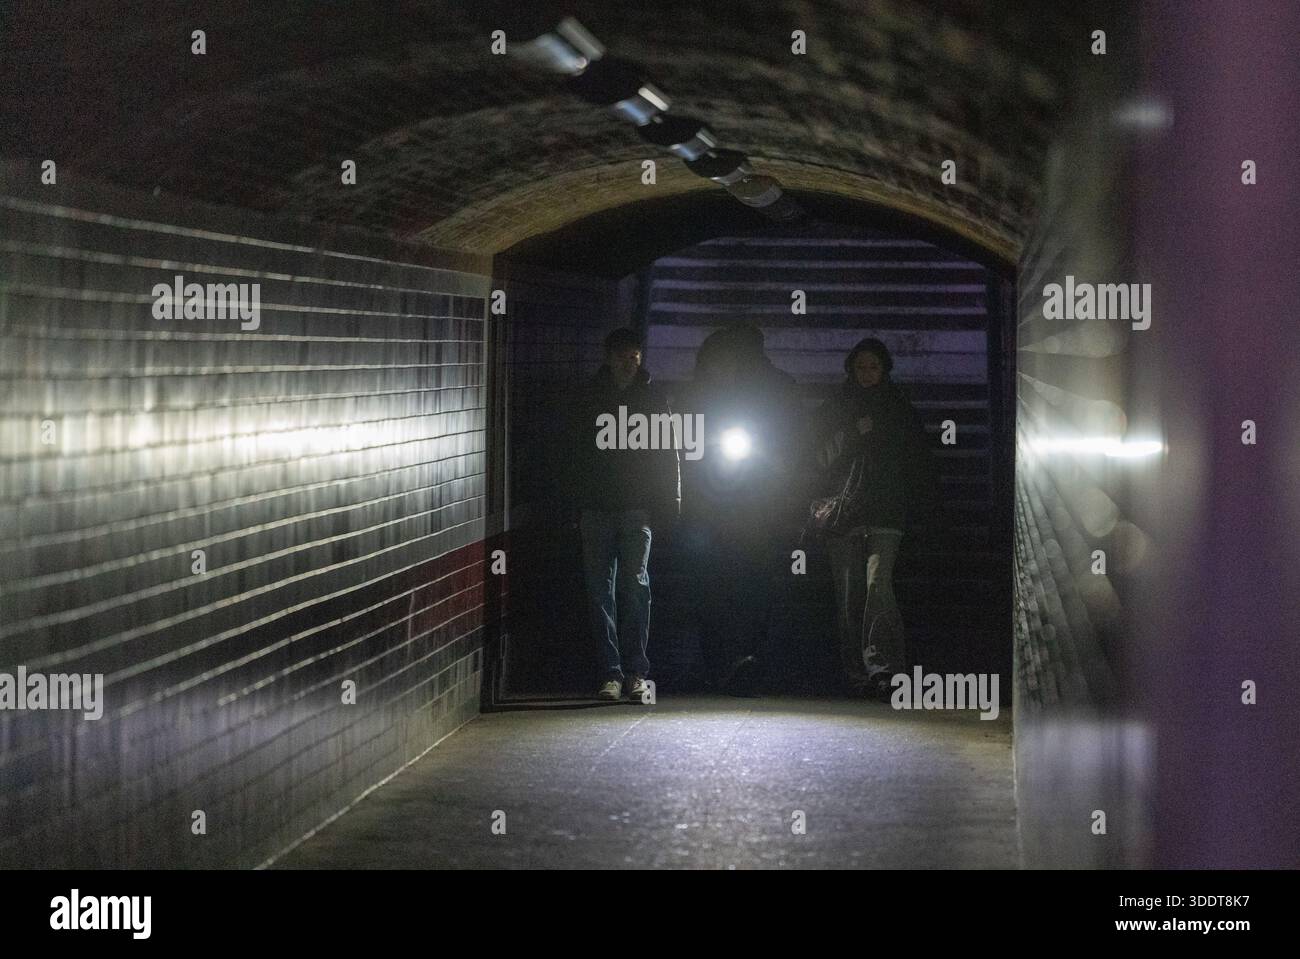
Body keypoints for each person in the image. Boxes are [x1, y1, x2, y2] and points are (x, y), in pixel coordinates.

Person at [811, 337, 937, 699]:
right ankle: (857, 672)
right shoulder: (835, 407)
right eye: (861, 367)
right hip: (845, 512)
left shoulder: (898, 409)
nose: (866, 374)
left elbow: (917, 462)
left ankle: (883, 669)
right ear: (851, 369)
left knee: (876, 586)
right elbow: (816, 458)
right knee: (849, 594)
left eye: (873, 367)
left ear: (884, 371)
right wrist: (852, 434)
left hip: (885, 511)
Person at [679, 323, 801, 696]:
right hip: (715, 506)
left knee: (748, 581)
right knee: (717, 584)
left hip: (751, 505)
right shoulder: (701, 392)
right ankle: (721, 659)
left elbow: (790, 435)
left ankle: (745, 656)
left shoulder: (770, 388)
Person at [566, 328, 681, 701]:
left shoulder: (614, 396)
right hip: (610, 508)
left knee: (623, 590)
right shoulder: (638, 396)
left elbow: (666, 453)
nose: (629, 362)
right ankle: (625, 673)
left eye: (633, 356)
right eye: (624, 356)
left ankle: (622, 673)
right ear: (610, 357)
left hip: (628, 508)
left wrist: (667, 502)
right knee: (620, 590)